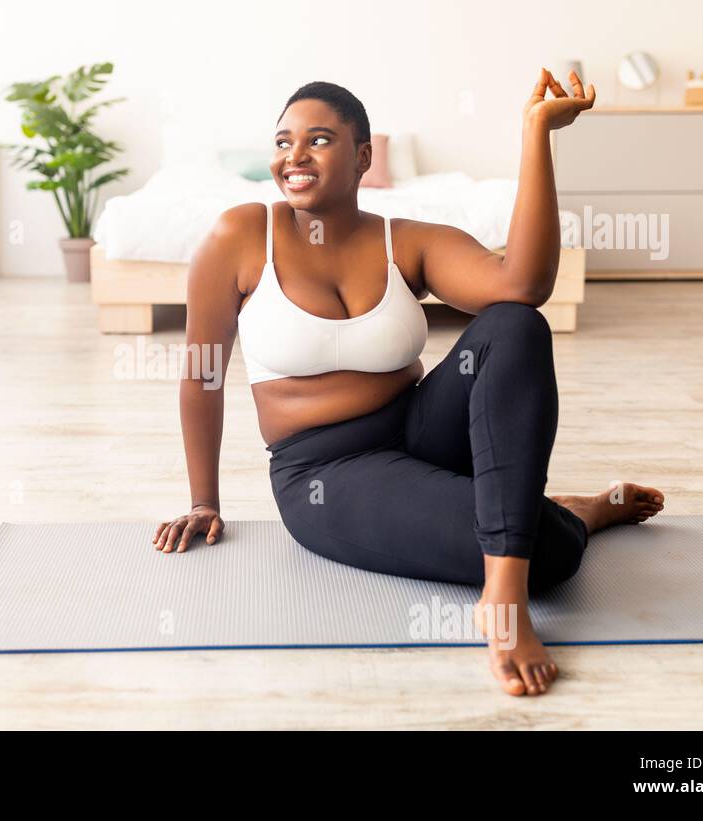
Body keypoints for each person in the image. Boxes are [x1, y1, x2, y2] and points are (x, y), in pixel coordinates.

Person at [152, 71, 664, 697]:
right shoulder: (239, 236)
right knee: (553, 553)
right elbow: (202, 376)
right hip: (324, 472)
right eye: (284, 142)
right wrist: (204, 502)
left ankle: (502, 601)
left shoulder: (406, 241)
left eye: (319, 140)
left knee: (515, 323)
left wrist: (536, 134)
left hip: (423, 430)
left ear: (363, 156)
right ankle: (577, 512)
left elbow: (523, 284)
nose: (295, 156)